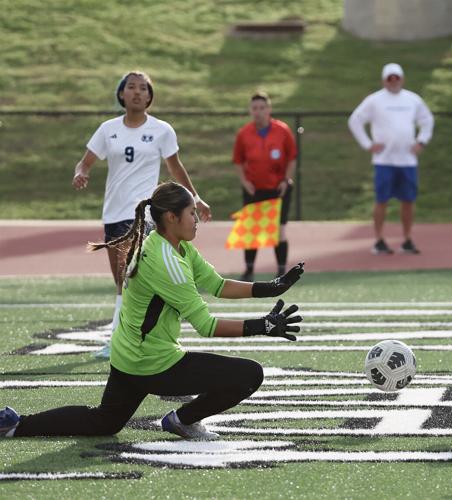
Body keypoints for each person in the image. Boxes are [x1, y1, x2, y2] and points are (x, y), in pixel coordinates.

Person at [0, 182, 304, 440]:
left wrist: (271, 287)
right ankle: (182, 421)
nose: (197, 219)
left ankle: (17, 423)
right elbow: (206, 325)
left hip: (129, 356)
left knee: (105, 422)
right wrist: (262, 326)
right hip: (153, 363)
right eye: (192, 213)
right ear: (171, 217)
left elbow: (218, 284)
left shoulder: (172, 245)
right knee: (249, 374)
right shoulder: (166, 261)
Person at [72, 70, 212, 359]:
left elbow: (175, 168)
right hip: (114, 213)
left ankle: (121, 339)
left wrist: (195, 198)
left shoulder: (162, 130)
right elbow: (85, 163)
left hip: (146, 215)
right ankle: (131, 337)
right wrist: (81, 173)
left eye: (143, 88)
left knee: (132, 278)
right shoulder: (107, 129)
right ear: (121, 94)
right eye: (131, 87)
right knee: (122, 281)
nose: (136, 92)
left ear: (150, 96)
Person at [348, 63, 434, 255]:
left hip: (408, 160)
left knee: (408, 201)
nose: (393, 81)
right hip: (384, 161)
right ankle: (379, 240)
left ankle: (407, 239)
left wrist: (422, 141)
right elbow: (355, 120)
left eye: (397, 78)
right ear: (384, 80)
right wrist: (368, 144)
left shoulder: (413, 100)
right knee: (382, 200)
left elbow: (427, 120)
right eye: (390, 78)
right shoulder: (375, 100)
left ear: (402, 79)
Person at [232, 91, 297, 281]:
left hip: (278, 188)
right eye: (255, 108)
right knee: (251, 229)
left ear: (269, 109)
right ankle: (249, 269)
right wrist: (245, 182)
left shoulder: (282, 130)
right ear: (250, 110)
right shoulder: (244, 134)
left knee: (279, 230)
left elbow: (292, 158)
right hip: (254, 189)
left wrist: (286, 180)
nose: (258, 112)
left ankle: (281, 271)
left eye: (262, 108)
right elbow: (237, 160)